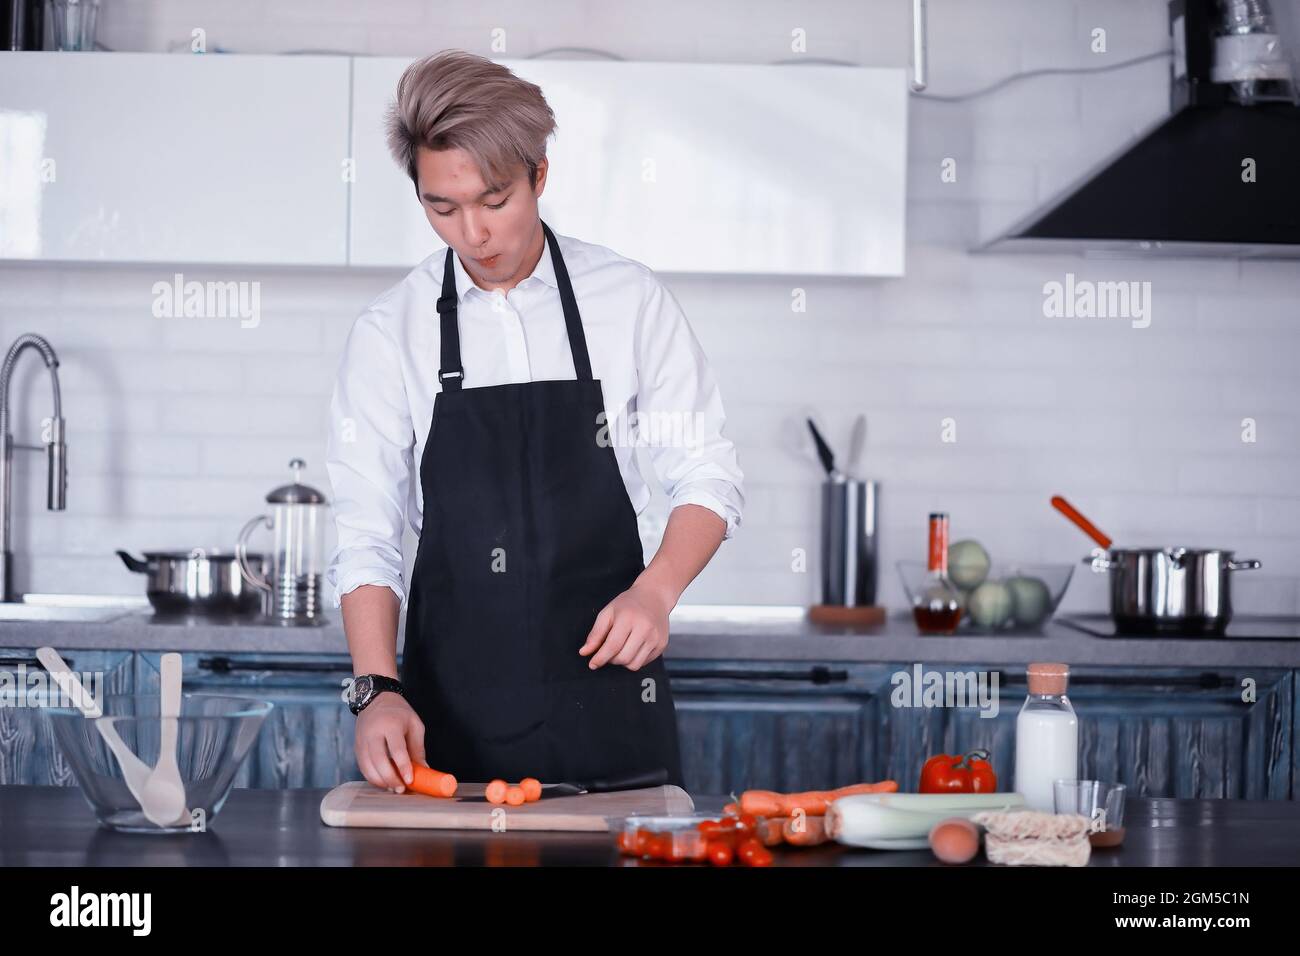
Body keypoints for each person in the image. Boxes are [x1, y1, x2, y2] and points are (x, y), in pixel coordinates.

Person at [326, 50, 744, 793]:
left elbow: (705, 474)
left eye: (493, 200)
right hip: (449, 720)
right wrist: (375, 689)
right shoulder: (391, 331)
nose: (472, 233)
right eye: (441, 207)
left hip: (613, 703)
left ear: (539, 176)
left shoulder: (629, 301)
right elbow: (367, 532)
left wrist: (657, 591)